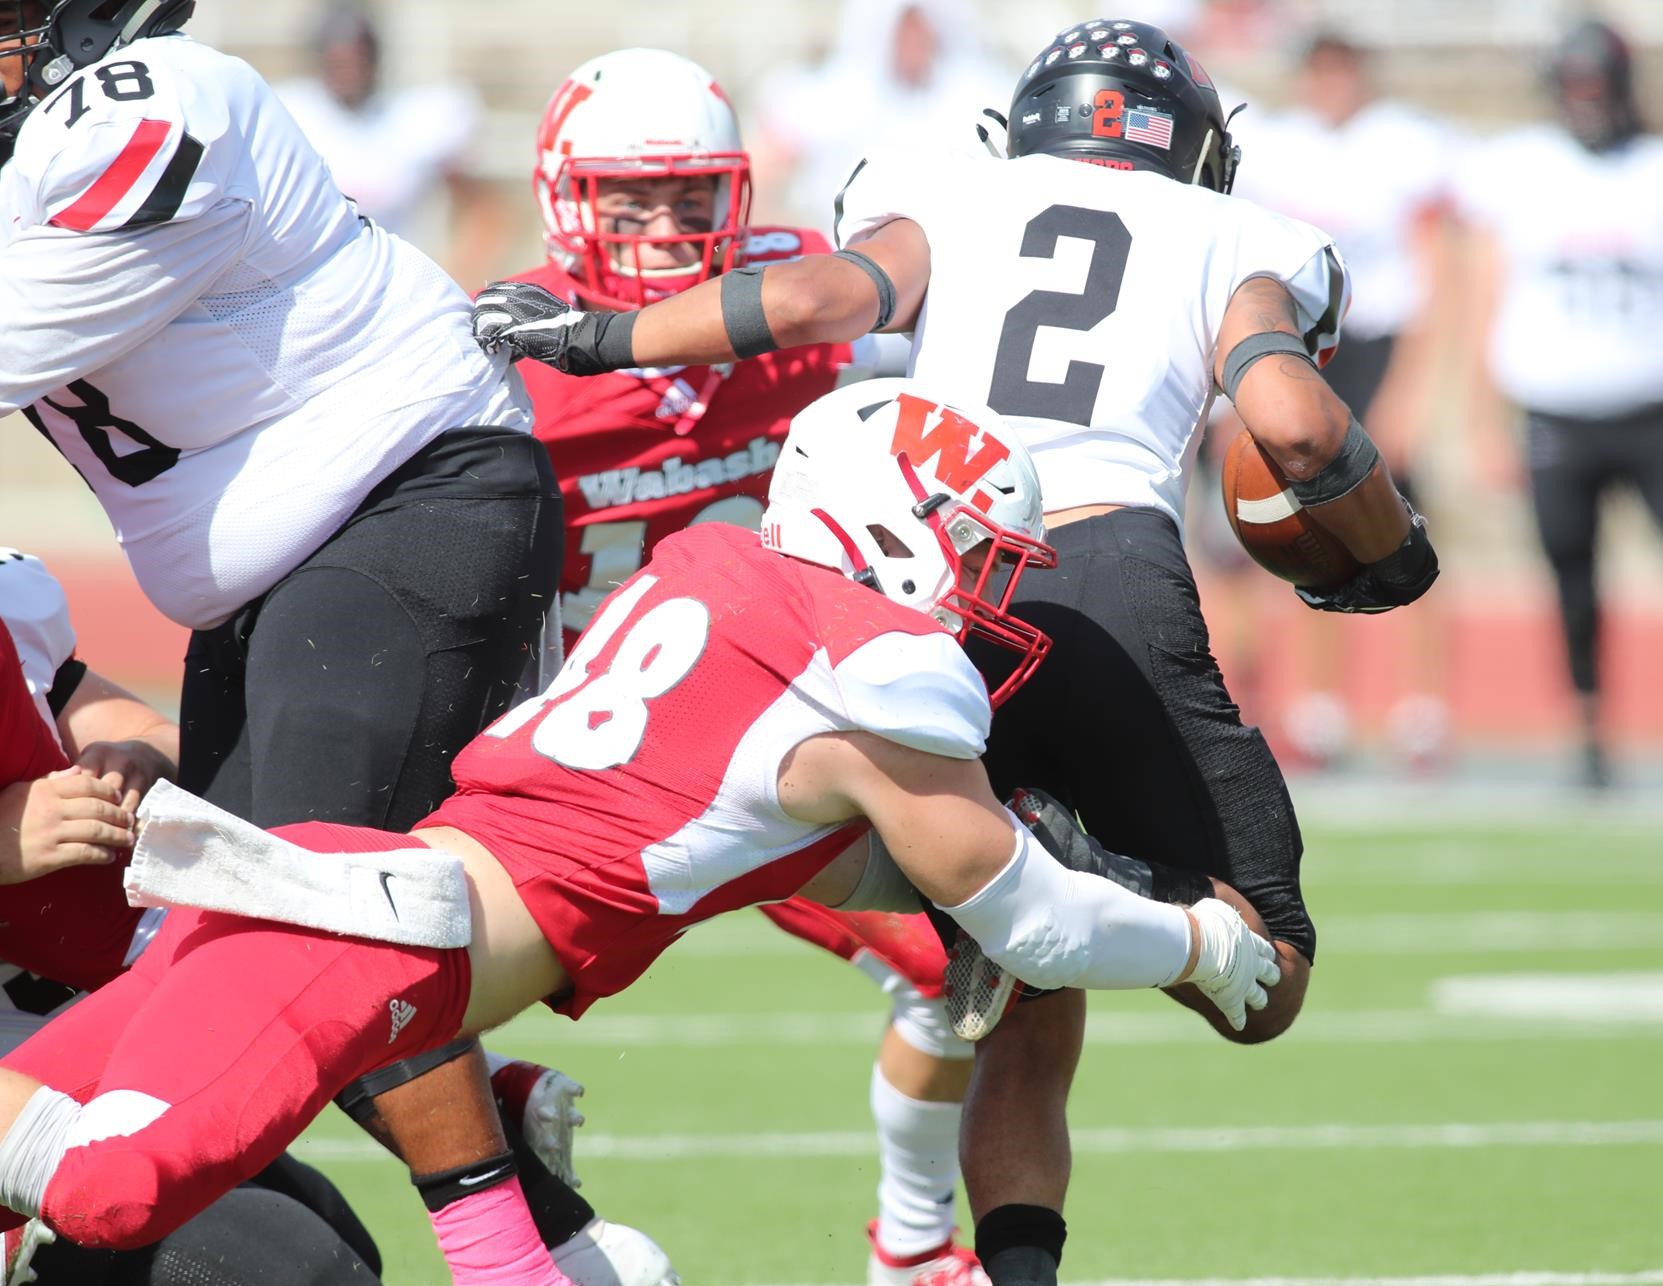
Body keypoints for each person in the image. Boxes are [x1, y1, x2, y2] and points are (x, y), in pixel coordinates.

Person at [472, 18, 1437, 1285]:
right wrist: (1391, 554)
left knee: (1018, 976)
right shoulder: (1244, 236)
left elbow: (821, 298)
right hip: (1093, 578)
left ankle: (959, 1251)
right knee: (1261, 970)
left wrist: (592, 334)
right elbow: (1291, 426)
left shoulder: (942, 185)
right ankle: (1105, 884)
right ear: (1199, 150)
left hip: (897, 603)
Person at [0, 384, 1278, 1284]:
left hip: (338, 903)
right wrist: (1202, 945)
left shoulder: (708, 577)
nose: (974, 587)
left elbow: (753, 834)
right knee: (108, 1187)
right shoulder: (866, 663)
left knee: (42, 1125)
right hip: (377, 946)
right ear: (887, 523)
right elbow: (1039, 922)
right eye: (965, 545)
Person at [0, 4, 640, 1283]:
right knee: (215, 940)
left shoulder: (154, 95)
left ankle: (528, 1256)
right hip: (299, 564)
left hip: (403, 497)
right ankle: (516, 1181)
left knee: (293, 910)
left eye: (12, 20)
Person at [514, 47, 977, 1286]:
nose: (664, 229)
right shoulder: (509, 358)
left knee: (968, 965)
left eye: (690, 199)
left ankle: (916, 1244)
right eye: (630, 198)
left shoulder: (793, 302)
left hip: (781, 740)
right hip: (587, 755)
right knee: (405, 990)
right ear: (570, 196)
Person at [0, 548, 393, 1286]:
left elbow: (151, 731)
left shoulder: (11, 597)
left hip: (80, 1047)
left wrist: (132, 761)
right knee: (277, 1269)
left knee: (328, 1239)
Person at [1455, 18, 1663, 792]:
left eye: (1599, 87)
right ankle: (1590, 738)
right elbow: (1485, 302)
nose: (1589, 103)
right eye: (1577, 88)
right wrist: (1483, 421)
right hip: (1554, 413)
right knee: (1571, 579)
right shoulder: (1520, 172)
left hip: (1654, 413)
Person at [1229, 31, 1457, 769]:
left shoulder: (1402, 145)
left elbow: (1434, 268)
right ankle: (1319, 707)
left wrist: (1411, 393)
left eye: (1340, 69)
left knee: (1403, 528)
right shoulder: (1275, 144)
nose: (1329, 83)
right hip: (1302, 351)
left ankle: (1421, 708)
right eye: (1318, 69)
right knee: (1309, 535)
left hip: (1376, 342)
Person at [275, 1, 508, 287]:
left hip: (399, 294)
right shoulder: (291, 113)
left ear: (375, 58)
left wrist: (452, 279)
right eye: (338, 62)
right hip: (311, 290)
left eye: (356, 60)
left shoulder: (414, 119)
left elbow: (484, 211)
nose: (348, 72)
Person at [750, 0, 1009, 228]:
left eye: (922, 29)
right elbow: (760, 172)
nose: (915, 42)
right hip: (841, 262)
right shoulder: (829, 99)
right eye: (905, 30)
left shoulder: (982, 100)